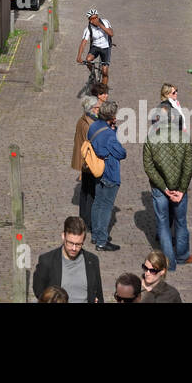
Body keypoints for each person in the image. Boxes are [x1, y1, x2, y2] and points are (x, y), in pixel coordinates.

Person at [143, 94, 192, 271]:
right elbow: (189, 166)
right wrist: (181, 189)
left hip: (160, 189)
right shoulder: (183, 137)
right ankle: (182, 256)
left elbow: (149, 167)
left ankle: (169, 262)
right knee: (181, 222)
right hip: (179, 188)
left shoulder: (151, 138)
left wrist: (164, 188)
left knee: (163, 224)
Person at [32, 216, 104, 303]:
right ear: (63, 236)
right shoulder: (47, 261)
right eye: (70, 243)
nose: (74, 248)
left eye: (78, 244)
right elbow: (39, 292)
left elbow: (98, 294)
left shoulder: (92, 260)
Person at [87, 100, 126, 251]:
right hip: (110, 172)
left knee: (97, 202)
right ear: (111, 116)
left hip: (97, 169)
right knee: (106, 207)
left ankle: (96, 235)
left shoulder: (94, 126)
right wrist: (113, 132)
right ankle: (102, 241)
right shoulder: (109, 135)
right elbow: (121, 153)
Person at [72, 93, 100, 229]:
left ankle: (84, 218)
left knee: (85, 191)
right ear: (92, 108)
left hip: (83, 161)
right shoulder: (91, 125)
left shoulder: (82, 120)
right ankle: (88, 221)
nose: (99, 109)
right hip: (89, 162)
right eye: (98, 107)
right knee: (90, 193)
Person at [75, 6, 113, 84]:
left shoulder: (105, 22)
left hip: (106, 47)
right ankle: (93, 73)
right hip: (95, 47)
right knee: (88, 60)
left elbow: (111, 34)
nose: (95, 19)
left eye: (96, 17)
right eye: (92, 19)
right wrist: (79, 56)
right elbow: (83, 43)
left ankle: (103, 90)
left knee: (105, 72)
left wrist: (100, 25)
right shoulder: (88, 29)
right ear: (89, 20)